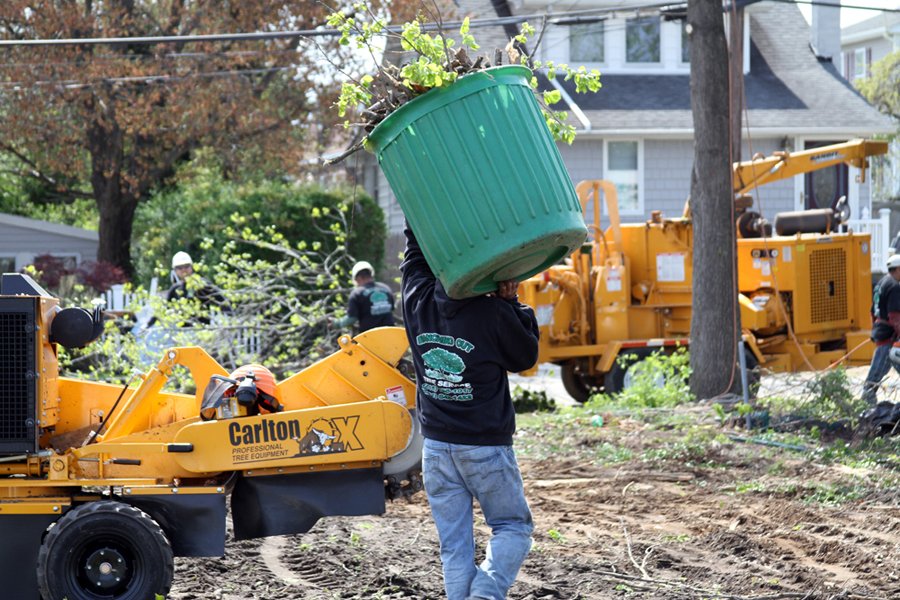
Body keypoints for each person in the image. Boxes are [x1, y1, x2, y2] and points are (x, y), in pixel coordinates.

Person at [400, 221, 538, 600]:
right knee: (512, 527)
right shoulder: (492, 314)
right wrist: (511, 302)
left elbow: (414, 259)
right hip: (485, 449)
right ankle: (485, 596)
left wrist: (421, 212)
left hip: (437, 450)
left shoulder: (417, 302)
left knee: (454, 546)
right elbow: (526, 355)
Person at [862, 254, 900, 404]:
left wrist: (875, 328)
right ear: (897, 269)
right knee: (877, 371)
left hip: (881, 331)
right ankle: (866, 401)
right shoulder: (895, 286)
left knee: (880, 368)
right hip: (888, 335)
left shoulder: (882, 283)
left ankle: (867, 398)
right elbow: (894, 316)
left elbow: (872, 311)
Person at [333, 260, 396, 333]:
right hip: (391, 335)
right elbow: (391, 309)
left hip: (369, 338)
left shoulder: (357, 293)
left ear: (357, 278)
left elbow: (352, 319)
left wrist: (336, 323)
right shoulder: (386, 288)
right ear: (371, 275)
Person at [165, 251, 227, 323]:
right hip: (181, 331)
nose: (183, 270)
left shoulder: (203, 285)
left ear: (192, 267)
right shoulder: (175, 290)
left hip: (204, 330)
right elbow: (164, 311)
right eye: (179, 267)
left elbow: (223, 303)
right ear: (175, 270)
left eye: (186, 266)